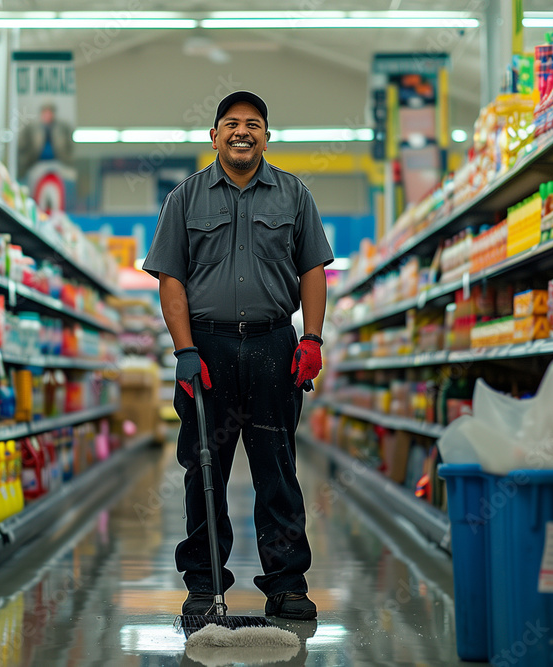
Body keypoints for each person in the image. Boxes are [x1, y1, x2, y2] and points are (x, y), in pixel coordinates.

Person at [142, 91, 333, 621]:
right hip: (209, 347)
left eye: (253, 124)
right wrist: (184, 350)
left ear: (266, 136)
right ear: (215, 135)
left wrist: (311, 339)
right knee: (204, 467)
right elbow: (171, 278)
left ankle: (287, 584)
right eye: (231, 124)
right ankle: (204, 585)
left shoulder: (295, 195)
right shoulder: (185, 197)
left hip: (274, 343)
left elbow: (313, 270)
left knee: (278, 469)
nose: (241, 132)